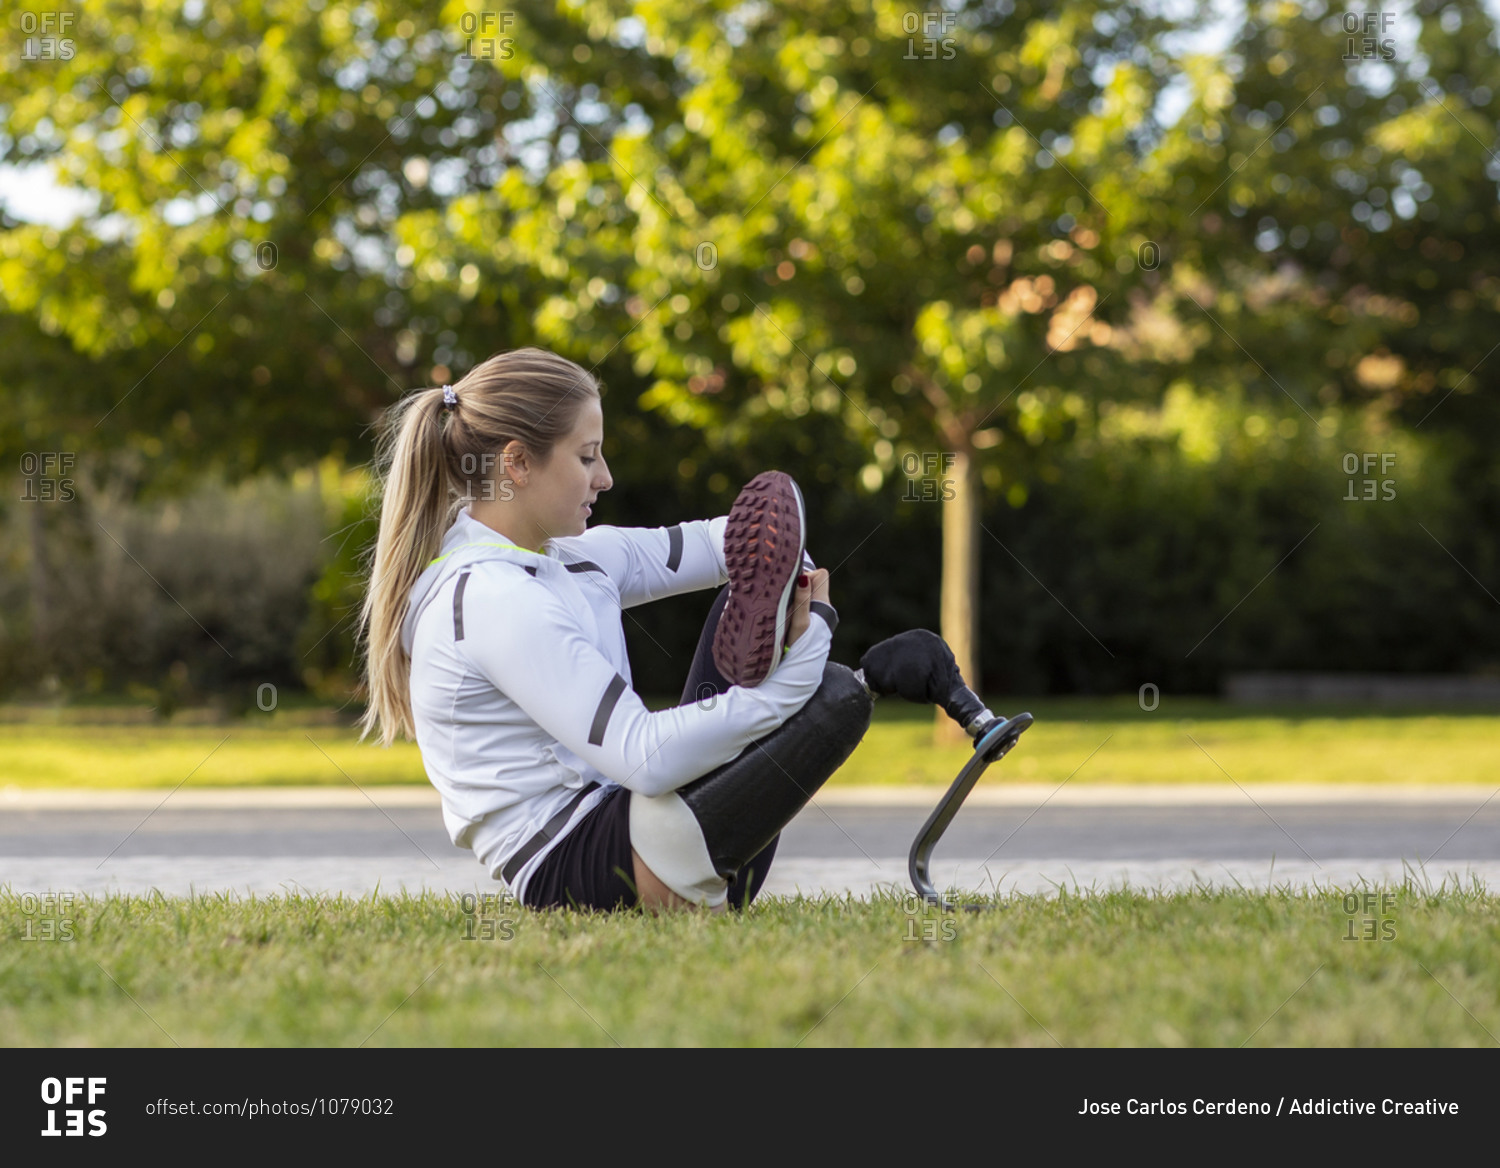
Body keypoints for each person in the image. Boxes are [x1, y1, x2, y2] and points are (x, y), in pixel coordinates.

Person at [359, 347, 974, 912]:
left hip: (648, 832)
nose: (605, 478)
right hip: (582, 868)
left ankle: (796, 703)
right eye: (586, 455)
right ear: (518, 463)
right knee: (834, 697)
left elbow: (730, 541)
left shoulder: (565, 559)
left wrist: (794, 571)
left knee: (753, 592)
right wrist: (810, 643)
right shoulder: (490, 597)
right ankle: (818, 694)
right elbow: (642, 758)